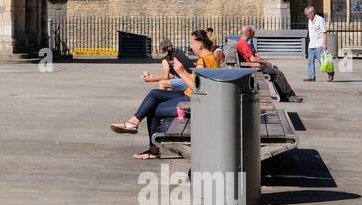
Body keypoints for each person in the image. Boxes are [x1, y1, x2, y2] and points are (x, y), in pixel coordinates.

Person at [111, 30, 222, 158]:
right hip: (189, 96)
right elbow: (196, 82)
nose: (191, 46)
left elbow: (198, 88)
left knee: (152, 110)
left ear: (200, 44)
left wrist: (180, 72)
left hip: (192, 101)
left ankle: (152, 149)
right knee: (154, 93)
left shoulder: (203, 61)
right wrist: (181, 72)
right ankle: (133, 122)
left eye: (192, 43)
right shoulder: (210, 58)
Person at [235, 25, 302, 102]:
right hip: (254, 68)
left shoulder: (241, 43)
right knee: (278, 73)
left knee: (275, 71)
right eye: (253, 32)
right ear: (249, 33)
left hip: (253, 66)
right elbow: (252, 59)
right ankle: (290, 96)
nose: (254, 34)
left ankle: (284, 96)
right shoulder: (243, 44)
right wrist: (265, 62)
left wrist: (263, 61)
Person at [304, 6, 327, 81]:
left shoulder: (320, 19)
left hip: (319, 44)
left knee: (322, 61)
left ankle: (330, 72)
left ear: (312, 13)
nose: (307, 16)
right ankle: (311, 77)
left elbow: (324, 32)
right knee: (310, 61)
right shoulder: (310, 20)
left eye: (308, 15)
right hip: (311, 45)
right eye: (306, 15)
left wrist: (324, 43)